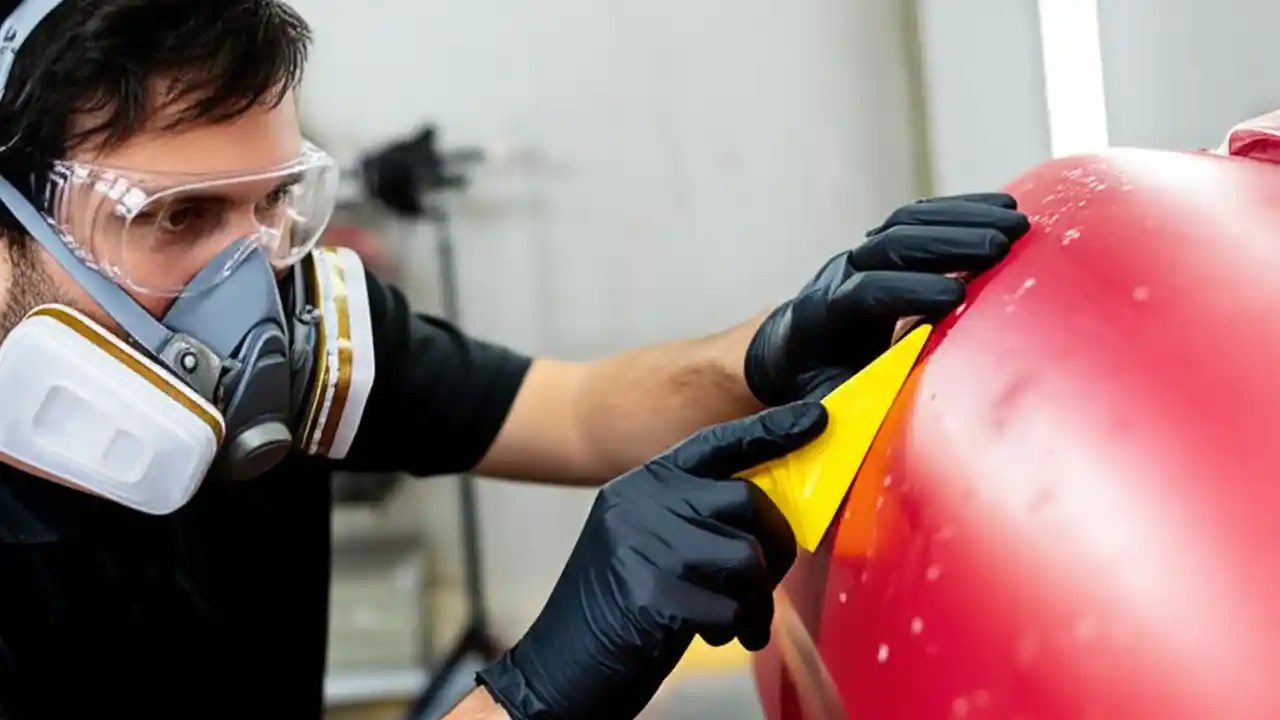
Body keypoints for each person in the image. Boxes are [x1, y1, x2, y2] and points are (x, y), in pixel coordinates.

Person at [0, 1, 1029, 718]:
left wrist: (770, 348)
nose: (252, 287)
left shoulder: (304, 363)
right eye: (174, 216)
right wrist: (533, 692)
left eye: (273, 205)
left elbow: (573, 412)